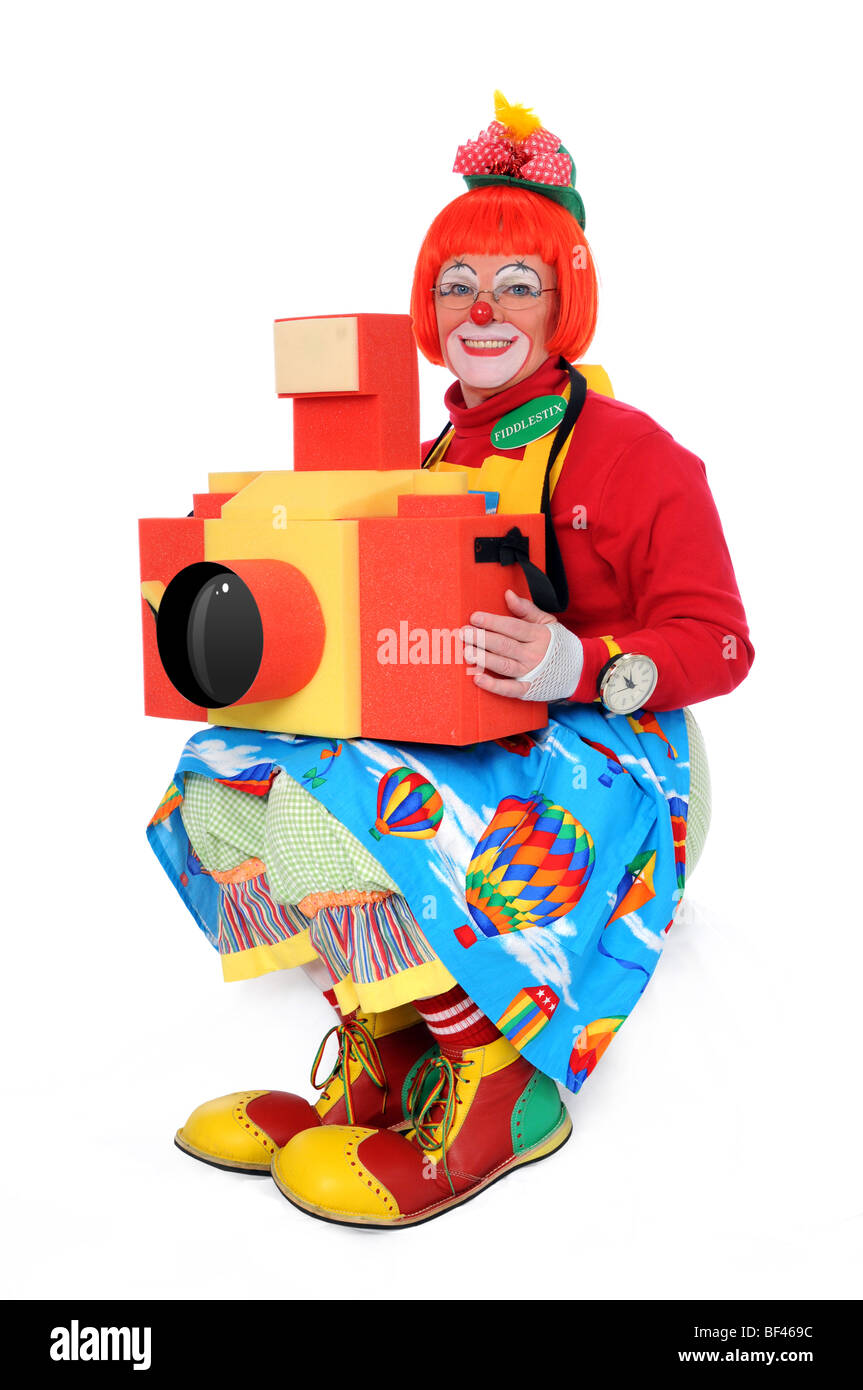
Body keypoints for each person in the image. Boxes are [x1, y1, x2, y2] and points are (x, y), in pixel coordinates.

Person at [147, 93, 753, 1227]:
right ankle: (387, 1054)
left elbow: (721, 639)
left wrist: (581, 659)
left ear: (563, 299)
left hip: (615, 753)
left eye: (515, 285)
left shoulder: (630, 452)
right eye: (455, 284)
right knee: (222, 782)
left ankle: (500, 1083)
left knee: (323, 817)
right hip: (462, 731)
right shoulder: (422, 450)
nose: (482, 309)